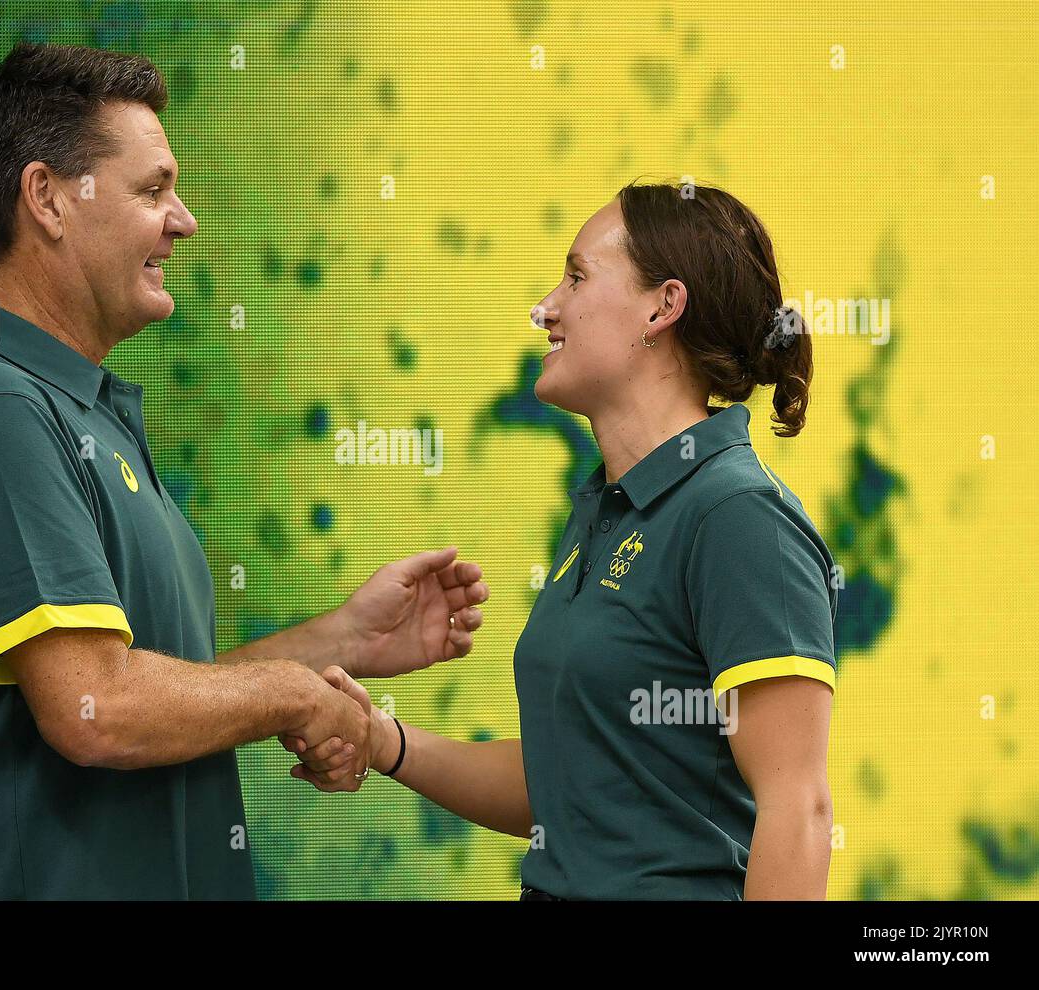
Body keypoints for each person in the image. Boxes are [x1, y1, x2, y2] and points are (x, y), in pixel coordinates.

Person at [0, 42, 489, 900]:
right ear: (48, 198)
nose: (184, 219)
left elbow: (138, 681)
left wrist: (334, 647)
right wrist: (293, 698)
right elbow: (96, 708)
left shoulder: (65, 406)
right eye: (153, 189)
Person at [288, 182, 838, 901]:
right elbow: (570, 779)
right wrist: (385, 741)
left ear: (661, 307)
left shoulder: (737, 517)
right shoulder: (606, 509)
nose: (545, 307)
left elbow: (799, 810)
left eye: (576, 277)